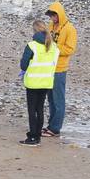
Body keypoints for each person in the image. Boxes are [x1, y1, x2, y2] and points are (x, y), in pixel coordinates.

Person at [19, 16, 60, 145]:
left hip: (33, 81)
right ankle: (37, 137)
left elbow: (23, 65)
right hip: (46, 81)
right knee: (40, 108)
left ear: (34, 31)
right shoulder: (53, 46)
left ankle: (33, 137)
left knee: (32, 110)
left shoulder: (32, 45)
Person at [44, 1, 77, 137]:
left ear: (60, 15)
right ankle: (51, 125)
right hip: (48, 67)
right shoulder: (50, 26)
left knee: (58, 99)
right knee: (50, 99)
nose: (52, 18)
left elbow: (70, 49)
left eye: (54, 16)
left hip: (59, 68)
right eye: (51, 16)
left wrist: (54, 49)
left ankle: (55, 128)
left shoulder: (70, 29)